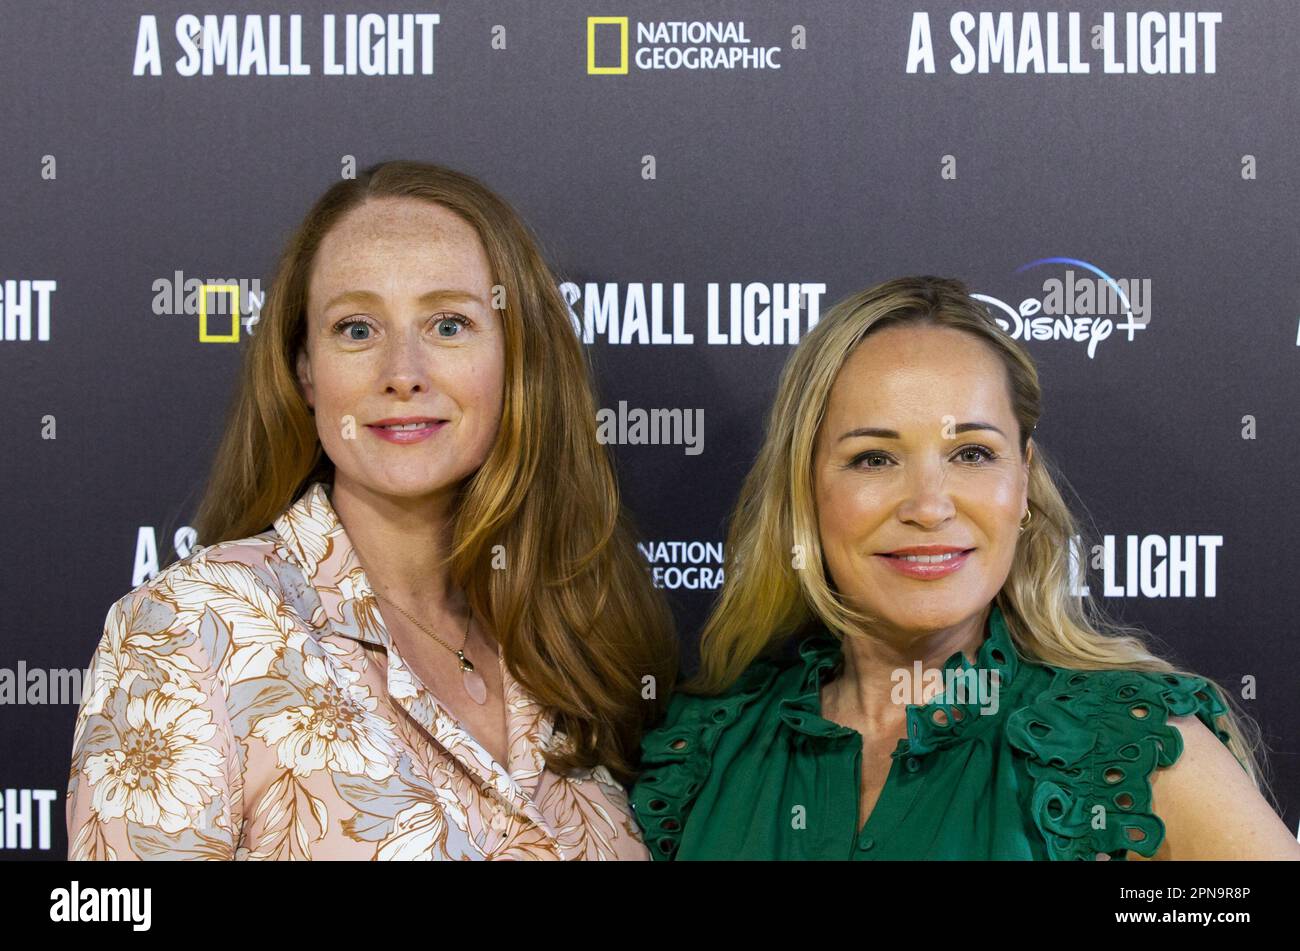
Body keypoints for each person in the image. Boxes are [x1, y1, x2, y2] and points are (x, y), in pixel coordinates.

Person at [66, 160, 677, 860]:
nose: (402, 371)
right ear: (304, 370)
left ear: (518, 360)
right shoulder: (194, 628)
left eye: (449, 323)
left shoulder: (568, 638)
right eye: (357, 329)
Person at [630, 275, 1300, 860]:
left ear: (1024, 479)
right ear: (806, 489)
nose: (928, 505)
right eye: (874, 458)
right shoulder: (705, 747)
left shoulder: (1131, 747)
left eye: (972, 453)